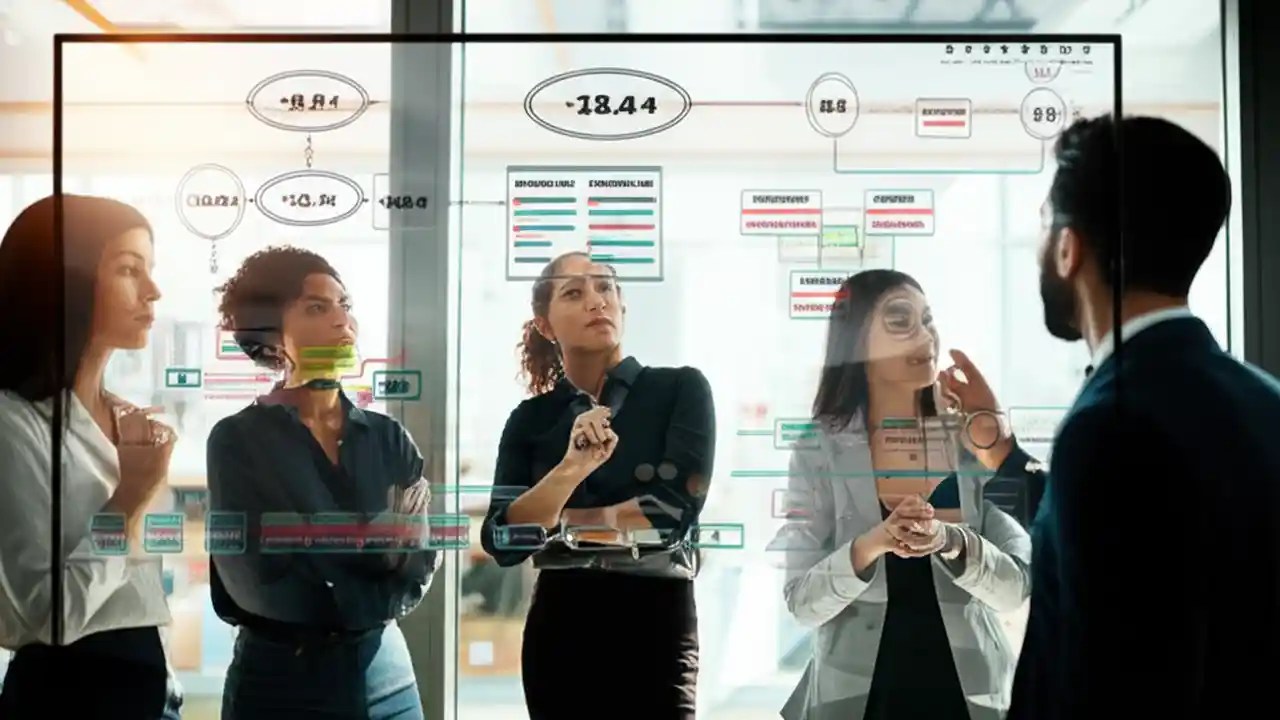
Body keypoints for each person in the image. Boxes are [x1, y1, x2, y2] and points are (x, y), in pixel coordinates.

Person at [979, 115, 1280, 720]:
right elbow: (1137, 545)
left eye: (1043, 228)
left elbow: (1114, 679)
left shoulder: (1111, 422)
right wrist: (1003, 457)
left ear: (1069, 248)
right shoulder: (1261, 398)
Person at [777, 269, 1031, 720]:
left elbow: (1015, 588)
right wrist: (872, 543)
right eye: (901, 321)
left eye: (928, 319)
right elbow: (801, 601)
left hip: (968, 697)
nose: (925, 335)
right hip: (856, 701)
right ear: (857, 342)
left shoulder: (974, 440)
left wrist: (951, 541)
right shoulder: (817, 448)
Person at [479, 251, 715, 719]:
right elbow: (502, 540)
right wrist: (571, 470)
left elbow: (669, 515)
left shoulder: (680, 390)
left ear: (623, 307)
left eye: (605, 287)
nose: (596, 301)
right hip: (562, 620)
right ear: (546, 325)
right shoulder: (531, 419)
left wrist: (555, 522)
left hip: (655, 616)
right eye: (574, 292)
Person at [207, 246, 439, 719]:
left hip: (388, 675)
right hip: (282, 678)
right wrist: (376, 552)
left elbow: (417, 565)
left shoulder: (388, 437)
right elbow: (256, 583)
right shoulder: (235, 440)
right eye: (317, 307)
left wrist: (323, 551)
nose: (342, 321)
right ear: (273, 335)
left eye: (344, 305)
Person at [0, 195, 183, 718]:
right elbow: (45, 615)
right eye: (129, 269)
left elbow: (141, 580)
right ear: (65, 282)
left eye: (150, 269)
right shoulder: (14, 423)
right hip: (71, 694)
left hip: (152, 687)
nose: (153, 291)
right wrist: (130, 497)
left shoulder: (129, 422)